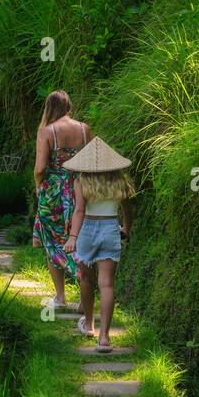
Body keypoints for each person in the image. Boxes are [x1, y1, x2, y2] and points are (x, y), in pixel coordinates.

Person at [61, 137, 135, 353]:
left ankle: (89, 325)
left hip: (87, 230)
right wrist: (126, 228)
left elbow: (79, 211)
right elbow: (127, 211)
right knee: (107, 284)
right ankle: (104, 338)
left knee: (85, 279)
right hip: (111, 228)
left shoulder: (81, 181)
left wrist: (73, 237)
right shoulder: (119, 181)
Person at [32, 91, 90, 307]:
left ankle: (61, 297)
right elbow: (93, 162)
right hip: (82, 189)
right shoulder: (85, 129)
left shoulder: (47, 131)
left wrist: (39, 187)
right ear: (69, 107)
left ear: (48, 108)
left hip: (54, 194)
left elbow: (39, 169)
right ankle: (86, 300)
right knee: (80, 241)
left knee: (52, 242)